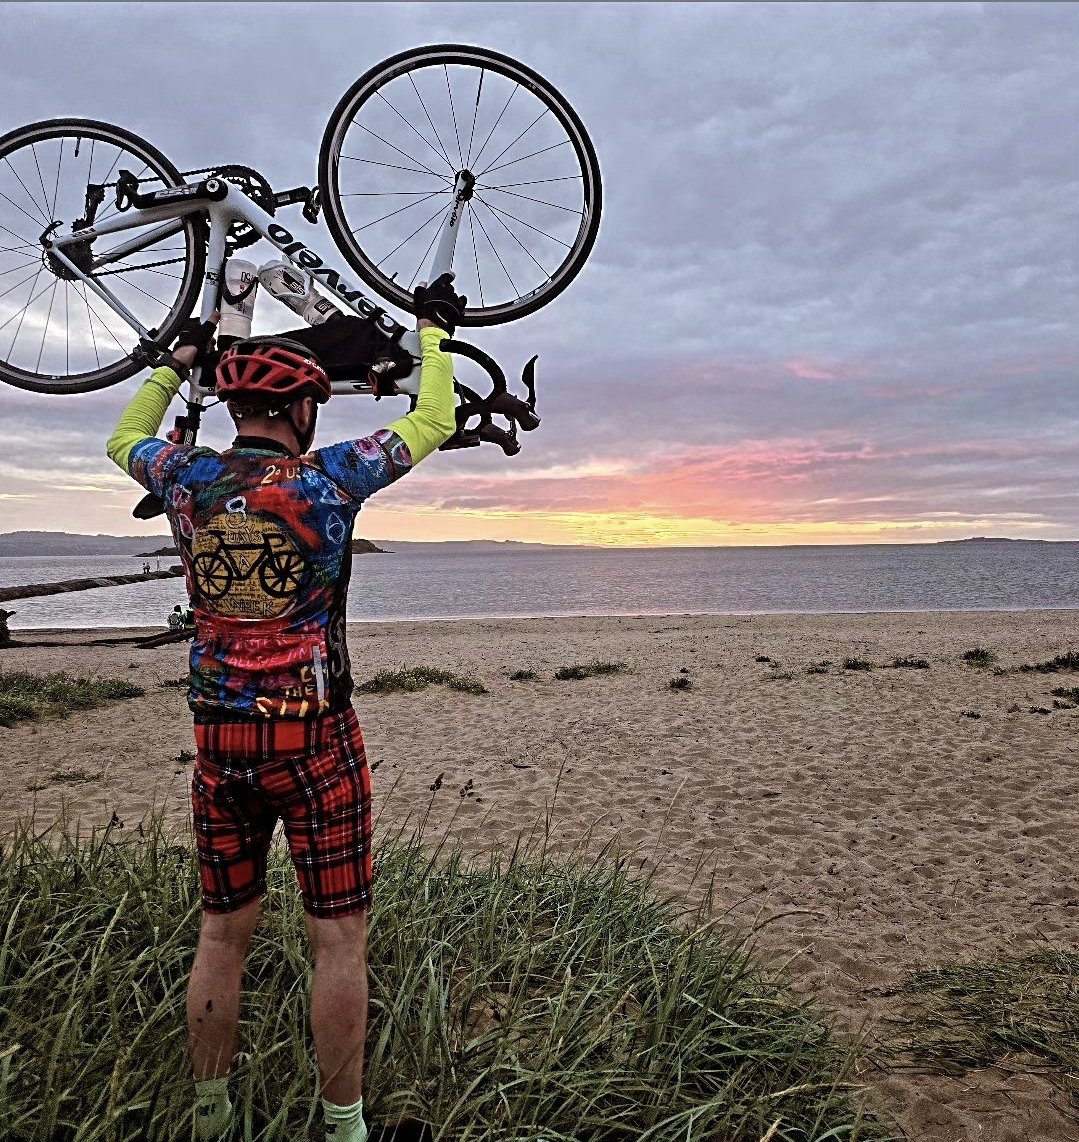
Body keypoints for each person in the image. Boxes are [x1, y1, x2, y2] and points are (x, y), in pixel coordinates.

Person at [106, 274, 466, 1142]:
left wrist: (174, 362)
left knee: (220, 934)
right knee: (337, 941)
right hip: (315, 741)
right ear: (305, 411)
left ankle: (210, 1119)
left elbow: (123, 438)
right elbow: (435, 418)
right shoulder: (329, 479)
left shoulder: (185, 477)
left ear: (233, 409)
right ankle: (344, 1130)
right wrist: (431, 330)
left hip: (218, 741)